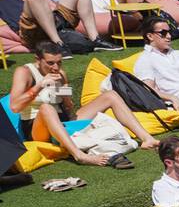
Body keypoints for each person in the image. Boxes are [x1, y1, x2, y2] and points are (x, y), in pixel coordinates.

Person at [8, 41, 162, 168]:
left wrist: (64, 92)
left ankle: (146, 138)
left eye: (59, 63)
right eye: (50, 63)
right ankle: (79, 155)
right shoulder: (24, 72)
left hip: (62, 121)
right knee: (46, 108)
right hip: (36, 127)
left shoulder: (60, 74)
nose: (55, 67)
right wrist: (39, 86)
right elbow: (15, 106)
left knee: (110, 95)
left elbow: (68, 107)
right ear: (38, 60)